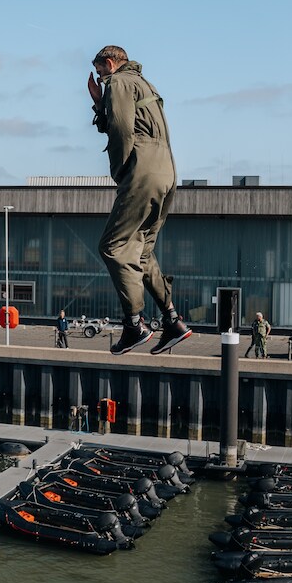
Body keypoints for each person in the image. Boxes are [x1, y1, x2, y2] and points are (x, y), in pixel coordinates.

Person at [88, 45, 192, 355]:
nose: (100, 78)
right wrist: (99, 104)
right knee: (143, 252)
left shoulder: (119, 82)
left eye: (100, 71)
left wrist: (121, 173)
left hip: (143, 171)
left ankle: (134, 324)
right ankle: (173, 321)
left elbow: (120, 128)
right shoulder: (146, 83)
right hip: (167, 172)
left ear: (109, 63)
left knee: (113, 247)